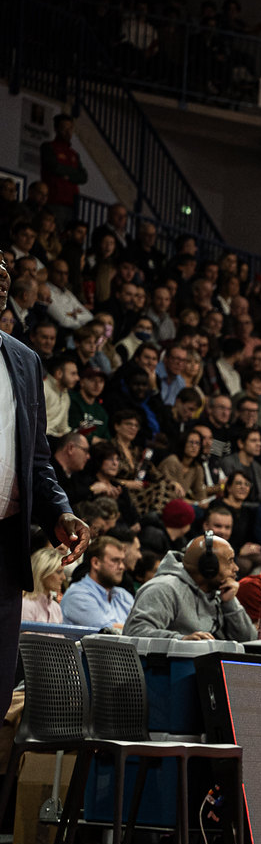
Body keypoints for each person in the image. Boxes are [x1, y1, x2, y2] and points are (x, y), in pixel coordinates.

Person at [0, 259, 87, 680]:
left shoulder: (25, 359)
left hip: (5, 543)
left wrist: (58, 512)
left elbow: (36, 458)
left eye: (4, 267)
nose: (2, 274)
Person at [123, 534, 254, 641]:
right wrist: (181, 640)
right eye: (230, 561)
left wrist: (230, 604)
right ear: (209, 567)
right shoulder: (164, 589)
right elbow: (134, 632)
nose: (236, 568)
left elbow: (250, 642)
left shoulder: (221, 590)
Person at [59, 535, 133, 628]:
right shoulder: (78, 596)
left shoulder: (124, 595)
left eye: (122, 561)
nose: (122, 566)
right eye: (115, 560)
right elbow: (108, 632)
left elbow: (139, 625)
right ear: (96, 563)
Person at [21, 546, 65, 623]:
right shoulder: (25, 605)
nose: (63, 577)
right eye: (58, 572)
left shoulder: (56, 608)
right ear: (42, 573)